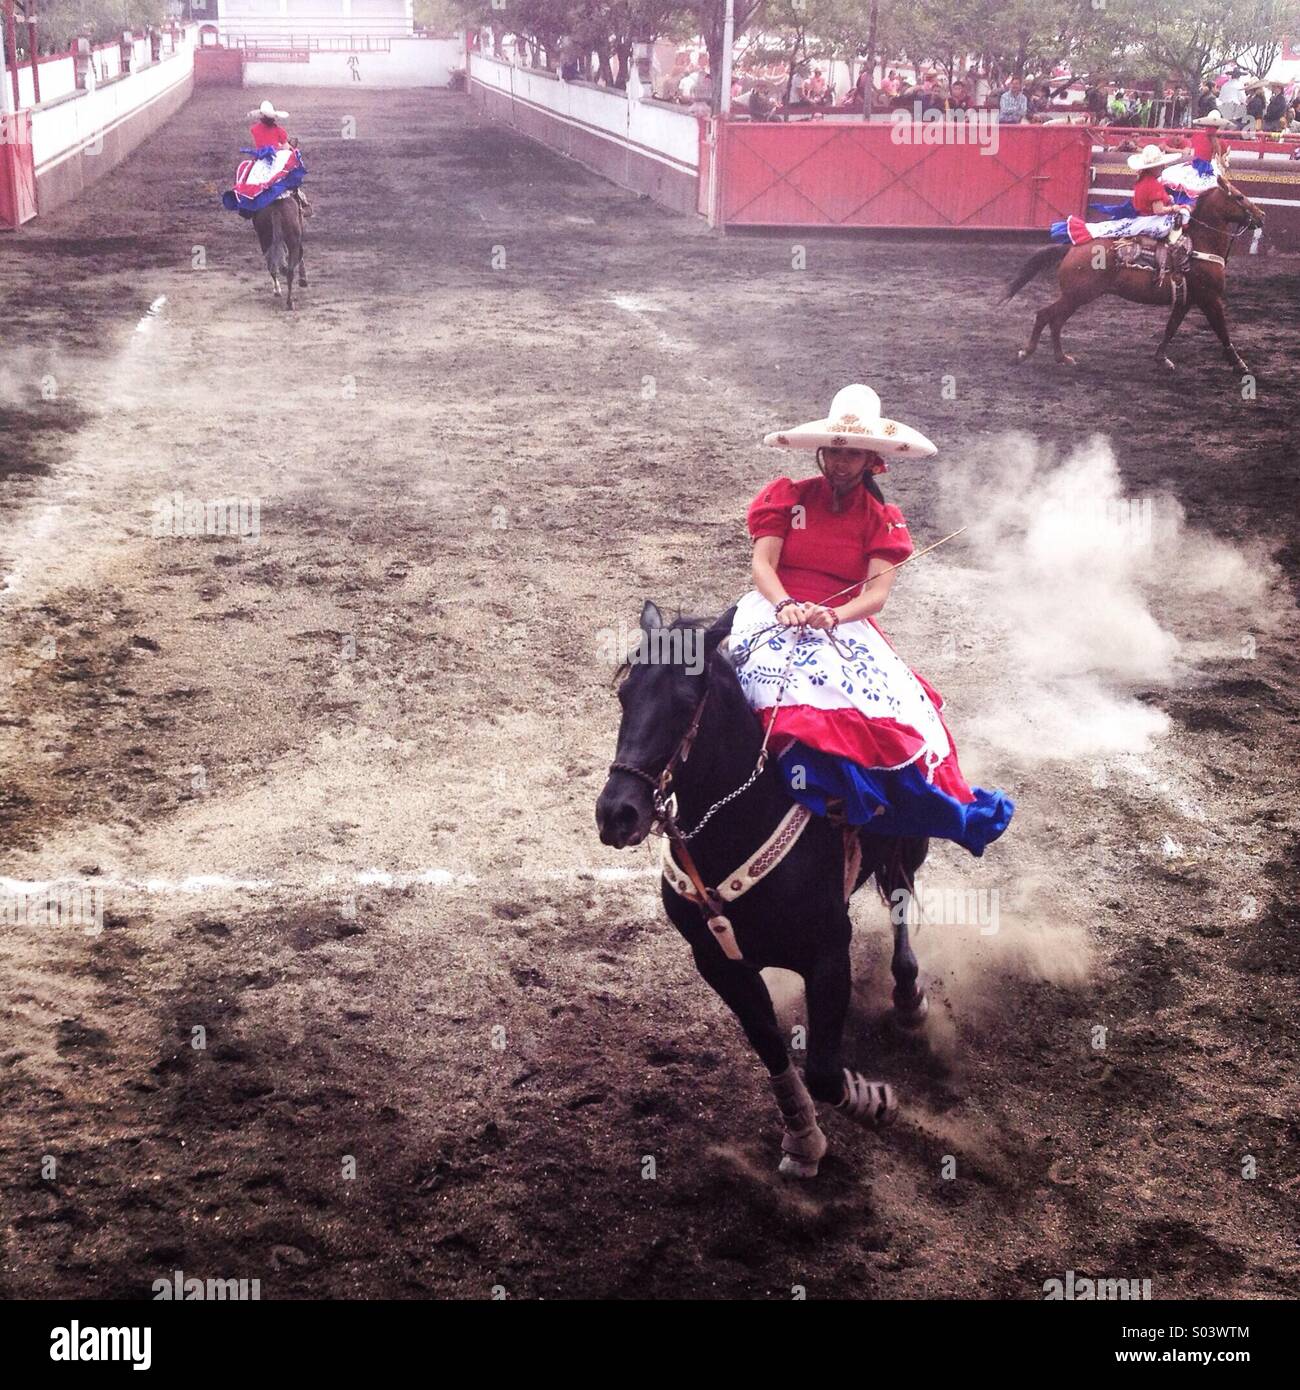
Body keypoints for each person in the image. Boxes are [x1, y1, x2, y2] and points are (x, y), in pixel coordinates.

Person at [728, 385, 1013, 858]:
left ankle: (842, 801)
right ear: (822, 453)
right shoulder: (788, 497)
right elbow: (763, 567)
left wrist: (831, 615)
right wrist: (784, 606)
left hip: (839, 622)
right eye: (835, 452)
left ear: (871, 460)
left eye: (853, 454)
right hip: (773, 607)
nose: (840, 463)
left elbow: (876, 595)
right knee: (700, 684)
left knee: (878, 708)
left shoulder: (882, 518)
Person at [245, 100, 310, 217]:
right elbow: (285, 147)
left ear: (261, 116)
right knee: (291, 177)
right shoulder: (280, 131)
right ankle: (302, 203)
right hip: (278, 158)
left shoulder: (254, 129)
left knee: (249, 178)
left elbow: (261, 144)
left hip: (261, 159)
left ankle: (250, 207)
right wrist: (289, 147)